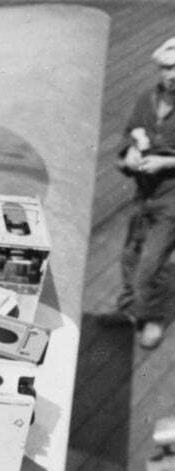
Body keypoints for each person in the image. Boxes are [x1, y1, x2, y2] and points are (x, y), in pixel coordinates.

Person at [102, 37, 175, 349]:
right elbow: (130, 133)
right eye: (167, 67)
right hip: (144, 193)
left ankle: (154, 317)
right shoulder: (148, 98)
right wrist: (130, 152)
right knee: (131, 254)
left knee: (153, 262)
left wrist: (166, 162)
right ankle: (132, 310)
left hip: (172, 199)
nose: (172, 74)